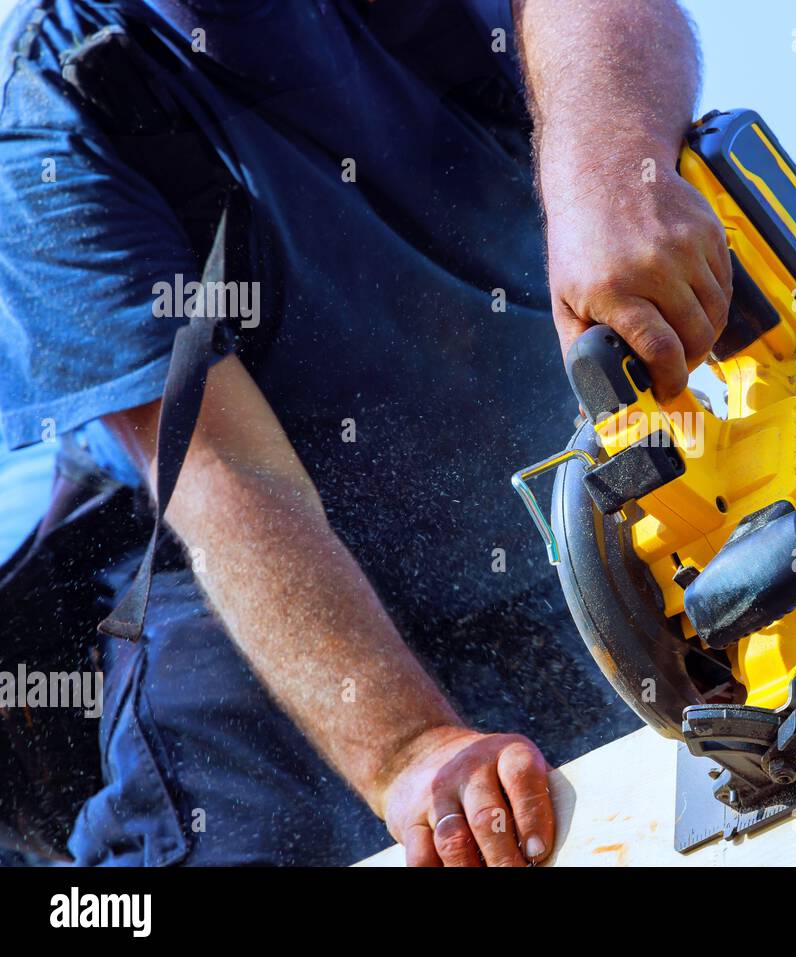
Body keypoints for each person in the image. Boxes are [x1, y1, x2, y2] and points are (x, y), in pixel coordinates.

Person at [0, 0, 732, 866]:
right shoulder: (65, 114)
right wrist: (410, 750)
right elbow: (231, 480)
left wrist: (613, 168)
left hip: (552, 549)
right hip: (250, 612)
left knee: (700, 809)